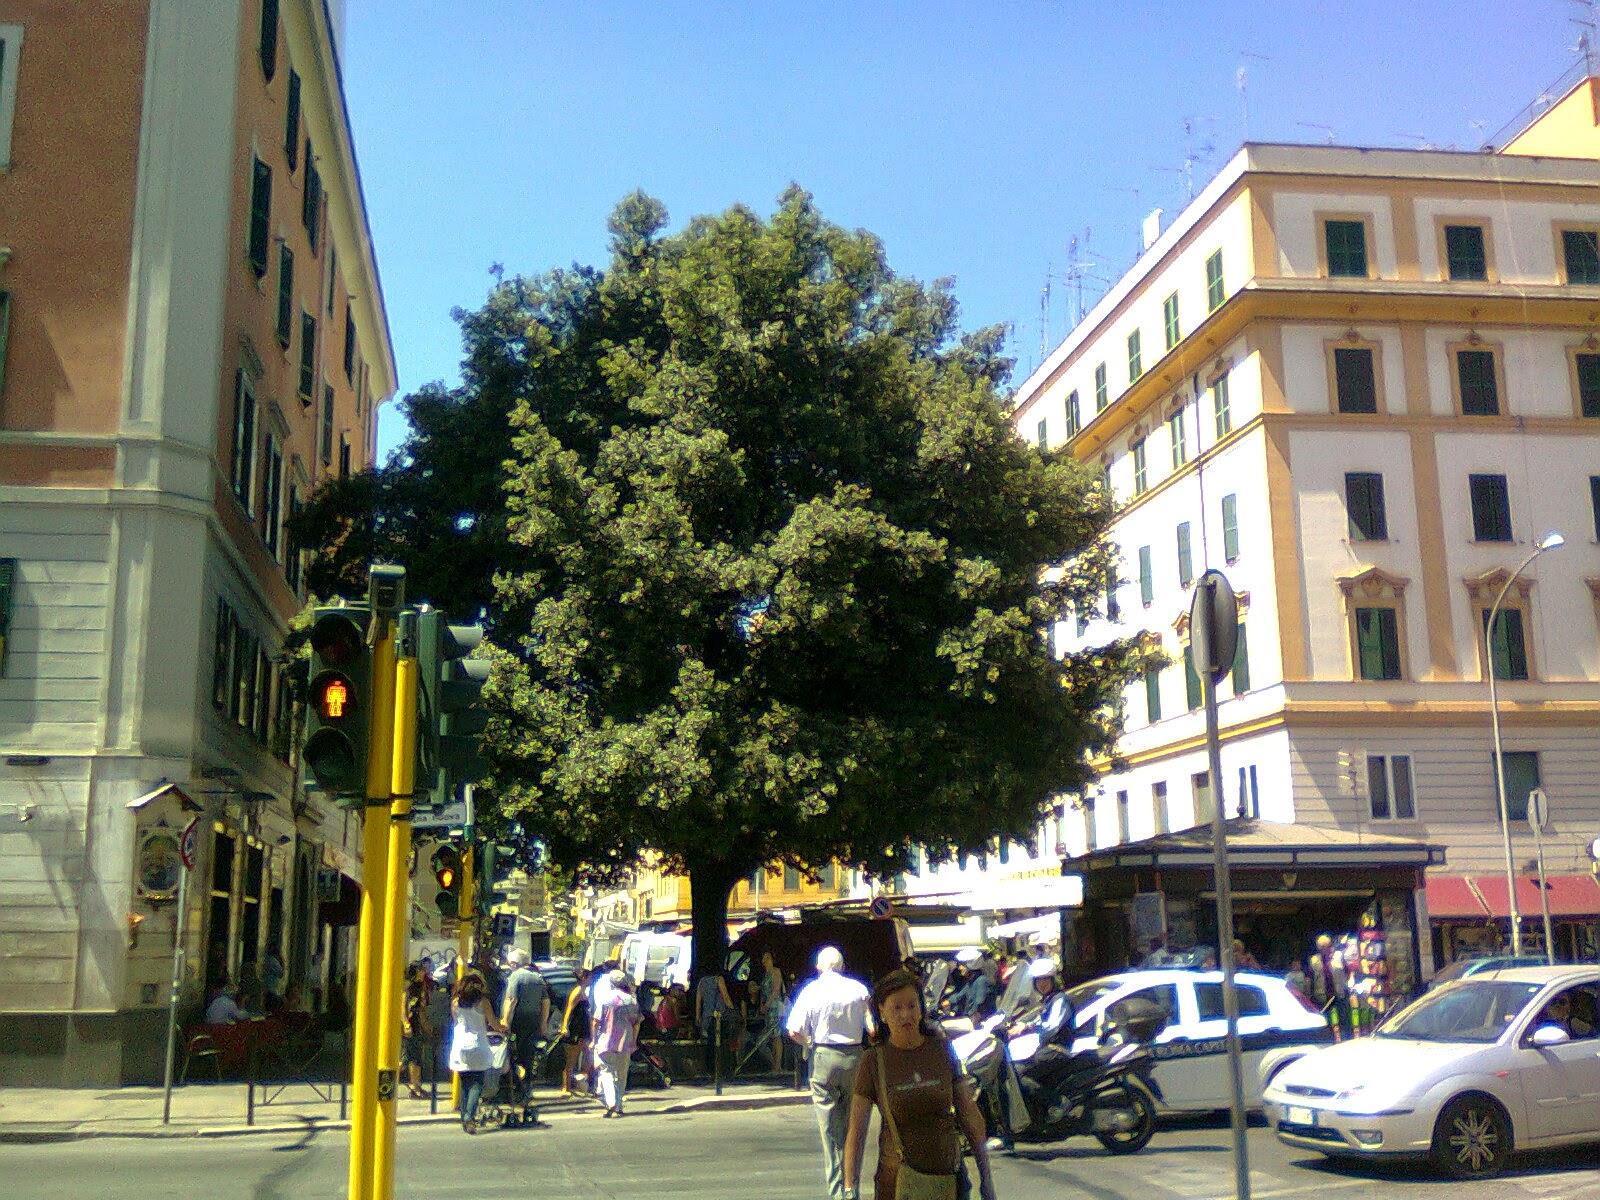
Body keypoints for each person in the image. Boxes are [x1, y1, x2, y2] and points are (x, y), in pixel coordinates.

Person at [841, 970, 996, 1200]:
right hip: (897, 1184)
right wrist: (848, 1188)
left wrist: (986, 1177)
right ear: (882, 1012)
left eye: (912, 1006)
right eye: (897, 1008)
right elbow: (856, 1130)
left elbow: (968, 1113)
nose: (906, 1015)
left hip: (949, 1181)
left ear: (921, 1009)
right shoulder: (874, 1061)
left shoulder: (941, 1049)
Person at [786, 946, 872, 1200]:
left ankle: (838, 1193)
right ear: (843, 966)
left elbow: (793, 1031)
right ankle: (852, 1187)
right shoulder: (859, 990)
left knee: (830, 1132)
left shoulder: (811, 990)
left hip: (823, 1057)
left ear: (819, 968)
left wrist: (809, 1043)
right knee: (854, 1128)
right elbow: (873, 1029)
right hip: (855, 1057)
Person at [448, 971, 505, 1134]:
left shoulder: (455, 1003)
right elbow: (493, 1023)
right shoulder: (483, 1002)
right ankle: (469, 1117)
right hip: (478, 1045)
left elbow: (455, 1021)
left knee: (465, 1082)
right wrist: (503, 1028)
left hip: (460, 1046)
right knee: (477, 1084)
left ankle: (464, 1114)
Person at [501, 948, 550, 1113]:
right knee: (528, 1057)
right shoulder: (537, 978)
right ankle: (526, 1091)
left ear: (514, 964)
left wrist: (505, 1023)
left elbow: (511, 1000)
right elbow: (545, 1002)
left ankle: (515, 1092)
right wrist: (543, 1024)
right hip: (533, 1022)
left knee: (512, 1058)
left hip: (518, 1022)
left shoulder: (515, 977)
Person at [593, 969, 642, 1117]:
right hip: (626, 1042)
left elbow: (596, 1021)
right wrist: (633, 1040)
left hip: (606, 1041)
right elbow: (637, 1023)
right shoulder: (632, 1000)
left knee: (606, 1071)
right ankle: (619, 1105)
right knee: (621, 1075)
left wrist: (594, 1039)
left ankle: (611, 1101)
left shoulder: (606, 999)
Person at [557, 966, 593, 1097]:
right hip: (575, 1027)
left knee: (590, 1055)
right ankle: (565, 1087)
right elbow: (568, 1010)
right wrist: (564, 1026)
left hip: (585, 1027)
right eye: (589, 977)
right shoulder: (577, 992)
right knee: (572, 1058)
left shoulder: (585, 991)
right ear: (584, 978)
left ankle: (582, 1082)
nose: (591, 979)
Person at [1308, 934, 1352, 1040]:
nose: (1324, 949)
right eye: (1321, 947)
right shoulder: (1314, 960)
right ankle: (1329, 1040)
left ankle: (1347, 1039)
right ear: (1318, 948)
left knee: (1344, 1020)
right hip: (1323, 996)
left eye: (1326, 946)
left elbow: (1348, 972)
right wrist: (1309, 994)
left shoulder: (1339, 956)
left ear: (1330, 946)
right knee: (1326, 1021)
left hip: (1340, 994)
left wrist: (1347, 985)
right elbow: (1310, 978)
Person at [695, 964, 734, 1076]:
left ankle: (709, 1069)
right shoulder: (719, 979)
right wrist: (732, 1010)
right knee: (719, 1044)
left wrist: (698, 1016)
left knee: (710, 1044)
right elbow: (725, 997)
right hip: (718, 1017)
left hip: (706, 1017)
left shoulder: (702, 982)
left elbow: (698, 1001)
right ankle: (720, 1069)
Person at [401, 964, 432, 1099]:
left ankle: (416, 1085)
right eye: (421, 972)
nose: (423, 974)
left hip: (418, 1026)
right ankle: (414, 1087)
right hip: (411, 1025)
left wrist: (425, 1025)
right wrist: (406, 1023)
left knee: (415, 1057)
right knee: (410, 1058)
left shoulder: (421, 989)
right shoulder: (408, 989)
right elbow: (403, 1008)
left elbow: (422, 1010)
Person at [756, 950, 788, 1073]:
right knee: (770, 1037)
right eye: (764, 959)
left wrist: (767, 1004)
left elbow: (775, 990)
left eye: (768, 958)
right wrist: (762, 1005)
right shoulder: (765, 975)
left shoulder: (776, 972)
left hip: (774, 1007)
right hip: (768, 1009)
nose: (765, 962)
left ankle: (778, 1065)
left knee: (776, 1035)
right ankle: (774, 1064)